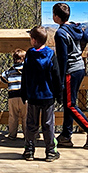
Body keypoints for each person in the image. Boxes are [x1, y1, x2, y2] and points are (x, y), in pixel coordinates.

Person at [52, 1, 88, 149]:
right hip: (80, 68)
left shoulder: (60, 34)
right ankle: (66, 135)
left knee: (70, 105)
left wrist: (60, 80)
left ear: (57, 17)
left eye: (53, 14)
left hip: (70, 71)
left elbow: (62, 58)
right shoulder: (75, 27)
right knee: (68, 103)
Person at [20, 25, 61, 162]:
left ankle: (29, 150)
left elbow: (24, 75)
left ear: (33, 40)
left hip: (33, 96)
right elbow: (56, 75)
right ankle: (50, 151)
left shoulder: (29, 55)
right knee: (48, 124)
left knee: (31, 124)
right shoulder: (50, 55)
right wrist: (58, 93)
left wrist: (24, 92)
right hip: (48, 96)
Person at [0, 49, 27, 140]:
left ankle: (12, 135)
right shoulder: (27, 70)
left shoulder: (10, 70)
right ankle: (27, 135)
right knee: (25, 117)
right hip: (24, 97)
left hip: (12, 96)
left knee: (13, 117)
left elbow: (3, 77)